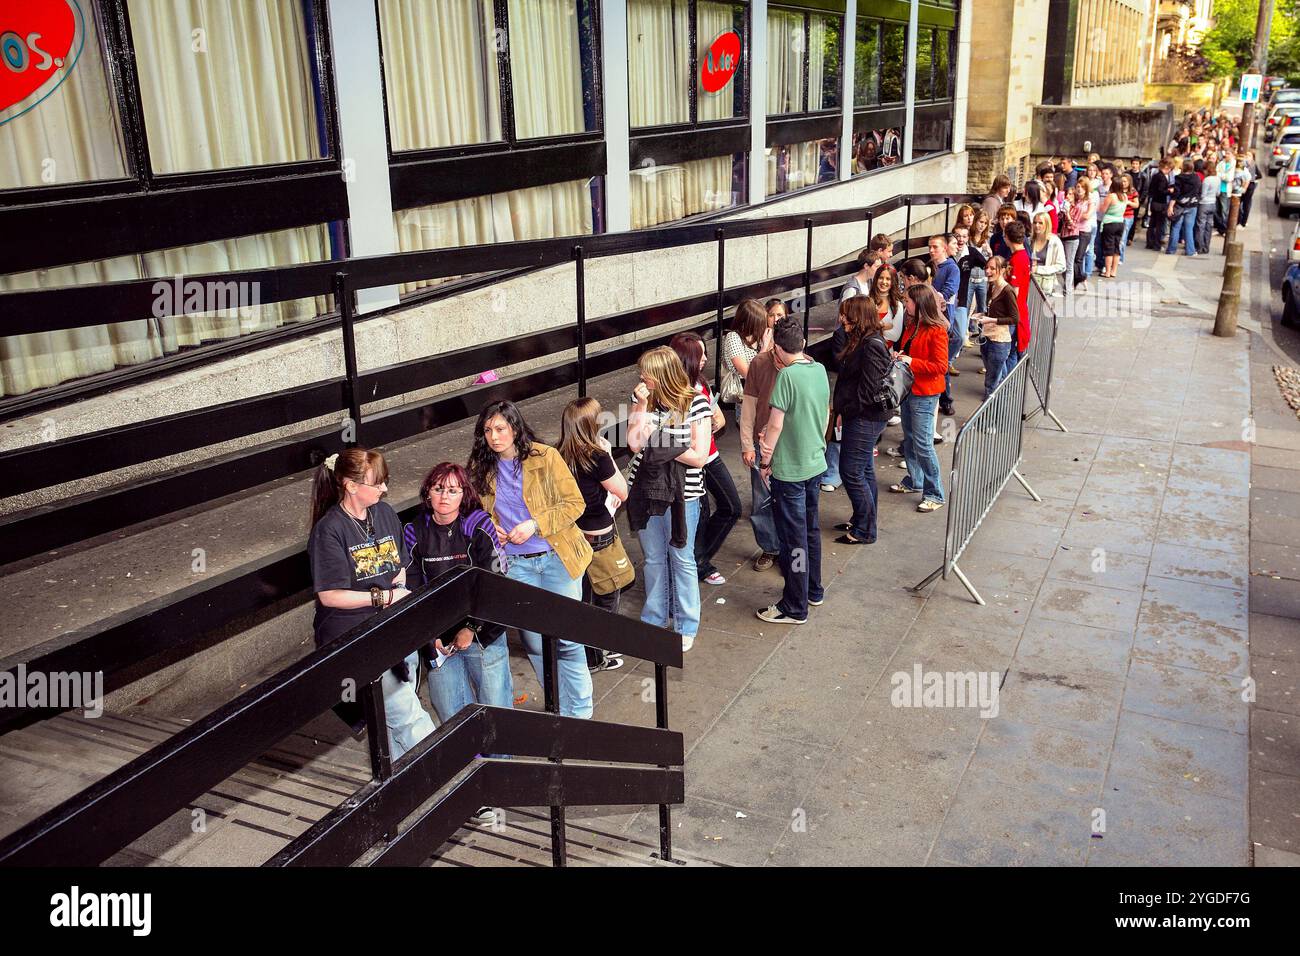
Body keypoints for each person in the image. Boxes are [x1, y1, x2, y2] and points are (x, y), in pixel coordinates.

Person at [469, 400, 595, 718]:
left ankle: (580, 714)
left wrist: (535, 523)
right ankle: (558, 706)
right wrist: (490, 527)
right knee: (536, 642)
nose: (494, 436)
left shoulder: (545, 456)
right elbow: (475, 513)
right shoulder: (481, 469)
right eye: (487, 430)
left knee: (568, 637)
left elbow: (574, 503)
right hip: (516, 565)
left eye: (500, 428)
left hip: (557, 559)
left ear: (515, 427)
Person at [307, 447, 435, 760]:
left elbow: (401, 564)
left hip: (395, 624)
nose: (385, 489)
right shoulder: (329, 530)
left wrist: (400, 589)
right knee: (408, 716)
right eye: (376, 483)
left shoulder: (385, 513)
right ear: (351, 485)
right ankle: (455, 777)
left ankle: (403, 788)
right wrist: (386, 597)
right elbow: (330, 595)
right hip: (356, 636)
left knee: (393, 720)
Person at [407, 461, 515, 717]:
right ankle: (468, 757)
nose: (444, 496)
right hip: (439, 636)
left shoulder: (477, 524)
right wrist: (428, 634)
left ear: (464, 494)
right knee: (450, 709)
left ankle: (500, 757)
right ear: (427, 493)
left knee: (496, 708)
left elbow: (494, 581)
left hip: (483, 631)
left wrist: (472, 628)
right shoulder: (414, 530)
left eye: (453, 490)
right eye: (438, 488)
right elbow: (411, 588)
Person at [626, 346, 711, 651]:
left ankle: (686, 624)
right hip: (646, 489)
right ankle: (655, 618)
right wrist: (640, 406)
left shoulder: (696, 403)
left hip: (682, 495)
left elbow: (700, 457)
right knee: (653, 558)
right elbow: (635, 445)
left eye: (645, 372)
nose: (641, 377)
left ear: (661, 375)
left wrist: (661, 442)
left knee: (681, 556)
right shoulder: (643, 401)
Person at [756, 315, 830, 624]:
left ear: (777, 347)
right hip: (815, 463)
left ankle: (794, 606)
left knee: (792, 540)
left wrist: (765, 459)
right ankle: (813, 590)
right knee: (811, 532)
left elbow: (775, 424)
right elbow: (825, 413)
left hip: (790, 471)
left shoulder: (786, 377)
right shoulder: (819, 370)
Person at [557, 397, 629, 673]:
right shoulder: (596, 456)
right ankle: (598, 652)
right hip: (599, 534)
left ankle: (588, 652)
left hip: (572, 535)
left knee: (583, 594)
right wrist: (607, 452)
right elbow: (622, 490)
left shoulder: (558, 454)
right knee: (608, 592)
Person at [670, 332, 740, 587]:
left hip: (709, 456)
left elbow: (719, 419)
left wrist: (704, 427)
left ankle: (697, 559)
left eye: (704, 354)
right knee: (699, 515)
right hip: (691, 461)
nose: (703, 360)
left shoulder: (701, 384)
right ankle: (695, 563)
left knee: (731, 507)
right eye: (698, 356)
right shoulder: (674, 390)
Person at [830, 297, 893, 545]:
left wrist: (846, 411)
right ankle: (863, 519)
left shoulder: (871, 345)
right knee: (864, 470)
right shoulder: (862, 341)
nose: (842, 319)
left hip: (865, 418)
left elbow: (868, 391)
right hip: (861, 416)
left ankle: (865, 529)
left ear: (858, 317)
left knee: (852, 472)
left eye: (846, 315)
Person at [887, 285, 949, 512]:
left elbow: (941, 366)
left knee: (923, 443)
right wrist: (902, 355)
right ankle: (916, 480)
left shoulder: (936, 330)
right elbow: (910, 350)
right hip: (911, 389)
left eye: (909, 301)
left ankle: (935, 493)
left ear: (920, 304)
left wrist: (911, 361)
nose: (906, 305)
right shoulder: (913, 324)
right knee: (912, 437)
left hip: (925, 392)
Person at [975, 257, 1018, 398]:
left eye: (992, 268)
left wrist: (990, 319)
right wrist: (982, 315)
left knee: (991, 382)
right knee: (999, 376)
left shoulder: (1007, 291)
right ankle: (1004, 403)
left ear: (1003, 270)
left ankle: (990, 410)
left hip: (999, 341)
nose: (987, 271)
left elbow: (1014, 318)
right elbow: (994, 310)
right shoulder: (992, 286)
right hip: (987, 337)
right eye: (987, 267)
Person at [721, 298, 770, 421]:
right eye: (761, 322)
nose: (764, 325)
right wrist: (764, 347)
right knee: (749, 434)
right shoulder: (733, 338)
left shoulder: (759, 337)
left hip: (764, 393)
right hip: (746, 395)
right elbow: (748, 374)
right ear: (751, 322)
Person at [1166, 159, 1200, 257]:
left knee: (1176, 227)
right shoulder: (1196, 178)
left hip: (1180, 205)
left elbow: (1176, 193)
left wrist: (1170, 206)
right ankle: (1190, 250)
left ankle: (1171, 249)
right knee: (1189, 228)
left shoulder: (1179, 178)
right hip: (1192, 205)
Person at [1028, 211, 1066, 294]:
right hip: (1030, 283)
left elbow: (1062, 266)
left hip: (1046, 286)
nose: (1037, 225)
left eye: (1040, 223)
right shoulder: (1029, 241)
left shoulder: (1054, 242)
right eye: (1035, 222)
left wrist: (1039, 269)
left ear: (1047, 224)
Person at [1070, 177, 1096, 292]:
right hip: (1074, 230)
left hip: (1084, 231)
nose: (1079, 189)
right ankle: (1080, 278)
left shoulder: (1089, 200)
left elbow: (1087, 216)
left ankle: (1078, 279)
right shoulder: (1075, 200)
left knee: (1078, 258)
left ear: (1086, 189)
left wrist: (1073, 216)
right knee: (1073, 258)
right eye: (1078, 187)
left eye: (1082, 187)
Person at [1098, 178, 1127, 279]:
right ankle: (1114, 271)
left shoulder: (1111, 196)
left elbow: (1103, 210)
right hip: (1120, 222)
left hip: (1109, 223)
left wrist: (1099, 205)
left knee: (1108, 248)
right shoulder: (1124, 196)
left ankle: (1107, 271)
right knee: (1116, 247)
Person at [1146, 157, 1172, 250]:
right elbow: (1161, 191)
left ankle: (1150, 242)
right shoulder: (1161, 177)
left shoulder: (1156, 175)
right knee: (1159, 226)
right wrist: (1169, 191)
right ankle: (1156, 244)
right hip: (1160, 203)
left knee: (1152, 224)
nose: (1169, 171)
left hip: (1154, 202)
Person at [1195, 159, 1219, 255]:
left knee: (1200, 226)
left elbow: (1203, 194)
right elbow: (1218, 193)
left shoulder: (1206, 180)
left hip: (1204, 204)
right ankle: (1206, 246)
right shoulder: (1217, 179)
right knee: (1209, 226)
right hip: (1213, 203)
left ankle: (1199, 247)